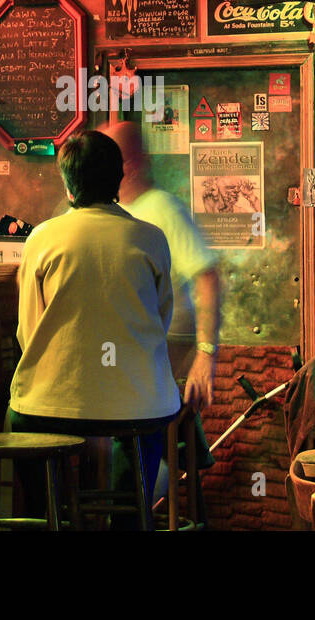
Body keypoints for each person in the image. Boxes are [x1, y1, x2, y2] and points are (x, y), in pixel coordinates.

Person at [10, 130, 180, 523]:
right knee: (142, 429)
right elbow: (161, 321)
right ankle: (130, 517)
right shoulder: (151, 238)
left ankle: (47, 517)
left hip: (48, 404)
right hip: (141, 403)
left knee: (21, 417)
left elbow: (28, 333)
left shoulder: (41, 238)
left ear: (68, 185)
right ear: (120, 179)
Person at [101, 120, 222, 414]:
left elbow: (207, 277)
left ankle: (149, 453)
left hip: (166, 334)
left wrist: (206, 354)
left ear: (129, 164)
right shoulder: (106, 210)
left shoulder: (163, 209)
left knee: (115, 407)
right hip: (133, 336)